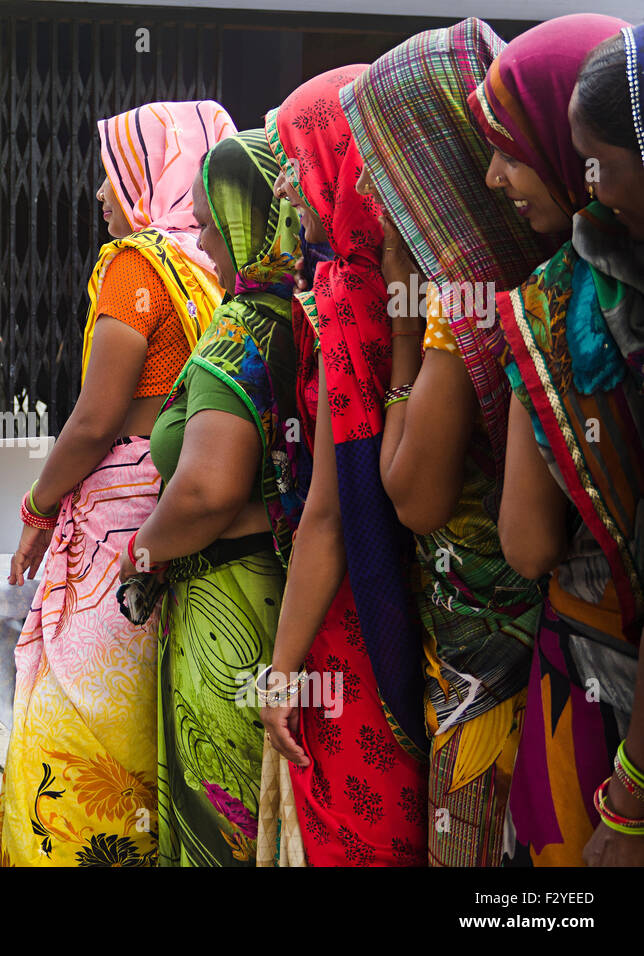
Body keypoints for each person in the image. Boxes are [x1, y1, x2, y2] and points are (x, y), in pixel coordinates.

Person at [340, 16, 599, 866]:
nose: (376, 199)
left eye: (388, 167)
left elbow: (412, 496)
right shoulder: (558, 276)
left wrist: (408, 334)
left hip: (495, 665)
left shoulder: (466, 312)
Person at [0, 100, 234, 866]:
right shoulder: (224, 265)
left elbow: (96, 419)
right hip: (180, 501)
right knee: (145, 702)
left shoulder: (136, 264)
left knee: (79, 708)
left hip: (117, 514)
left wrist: (37, 504)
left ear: (149, 173)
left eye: (110, 174)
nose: (99, 194)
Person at [116, 129, 302, 865]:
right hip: (282, 595)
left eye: (208, 223)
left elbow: (205, 490)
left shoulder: (242, 326)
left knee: (217, 814)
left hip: (228, 596)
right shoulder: (310, 312)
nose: (203, 244)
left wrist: (145, 550)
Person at [259, 66, 429, 866]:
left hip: (355, 615)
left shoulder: (344, 301)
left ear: (340, 164)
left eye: (298, 155)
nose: (287, 180)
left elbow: (328, 515)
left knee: (359, 834)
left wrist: (280, 672)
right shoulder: (408, 285)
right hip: (408, 595)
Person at [486, 24, 644, 866]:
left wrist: (626, 809)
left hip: (595, 702)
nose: (491, 179)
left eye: (510, 149)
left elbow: (525, 541)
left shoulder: (556, 308)